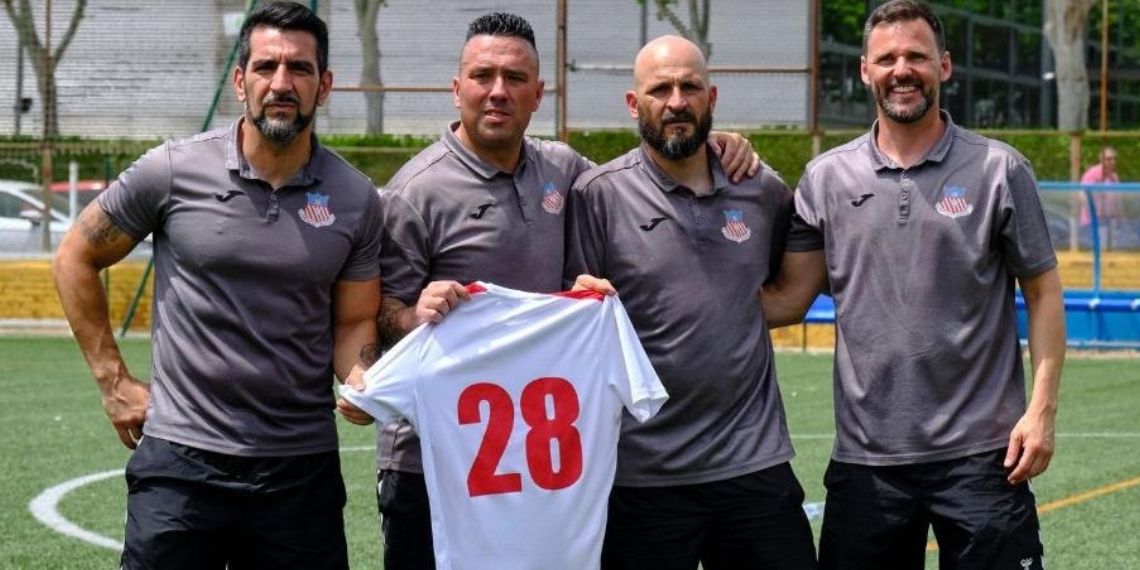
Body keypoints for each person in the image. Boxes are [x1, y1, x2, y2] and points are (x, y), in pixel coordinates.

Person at [338, 12, 761, 570]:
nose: (497, 92)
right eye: (483, 76)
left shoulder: (562, 169)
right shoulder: (415, 192)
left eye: (515, 79)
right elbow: (379, 313)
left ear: (538, 94)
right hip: (434, 462)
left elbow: (643, 173)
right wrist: (415, 314)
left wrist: (713, 142)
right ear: (456, 88)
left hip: (541, 461)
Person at [52, 3, 381, 569]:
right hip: (181, 462)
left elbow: (352, 323)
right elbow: (75, 255)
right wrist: (113, 381)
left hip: (299, 470)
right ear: (240, 80)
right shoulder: (173, 170)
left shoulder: (356, 199)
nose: (282, 83)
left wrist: (360, 375)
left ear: (324, 86)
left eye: (300, 69)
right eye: (266, 66)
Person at [762, 1, 1066, 568]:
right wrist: (658, 303)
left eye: (917, 57)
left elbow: (1044, 292)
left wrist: (1042, 410)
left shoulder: (1000, 169)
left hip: (984, 456)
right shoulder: (826, 178)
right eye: (888, 58)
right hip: (868, 460)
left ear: (944, 67)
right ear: (865, 71)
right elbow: (787, 299)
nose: (902, 69)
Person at [562, 35, 817, 570]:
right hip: (643, 474)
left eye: (690, 86)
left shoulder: (761, 189)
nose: (676, 100)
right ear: (635, 104)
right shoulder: (597, 196)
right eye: (660, 88)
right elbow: (576, 319)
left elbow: (787, 286)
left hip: (753, 465)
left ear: (711, 97)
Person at [1079, 146, 1123, 248]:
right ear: (1101, 160)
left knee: (1112, 250)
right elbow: (1082, 196)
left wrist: (1120, 218)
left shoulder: (1114, 177)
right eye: (1108, 159)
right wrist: (1093, 215)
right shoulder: (1092, 174)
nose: (1112, 161)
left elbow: (1118, 200)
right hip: (1095, 221)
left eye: (1113, 159)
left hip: (1111, 220)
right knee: (1101, 250)